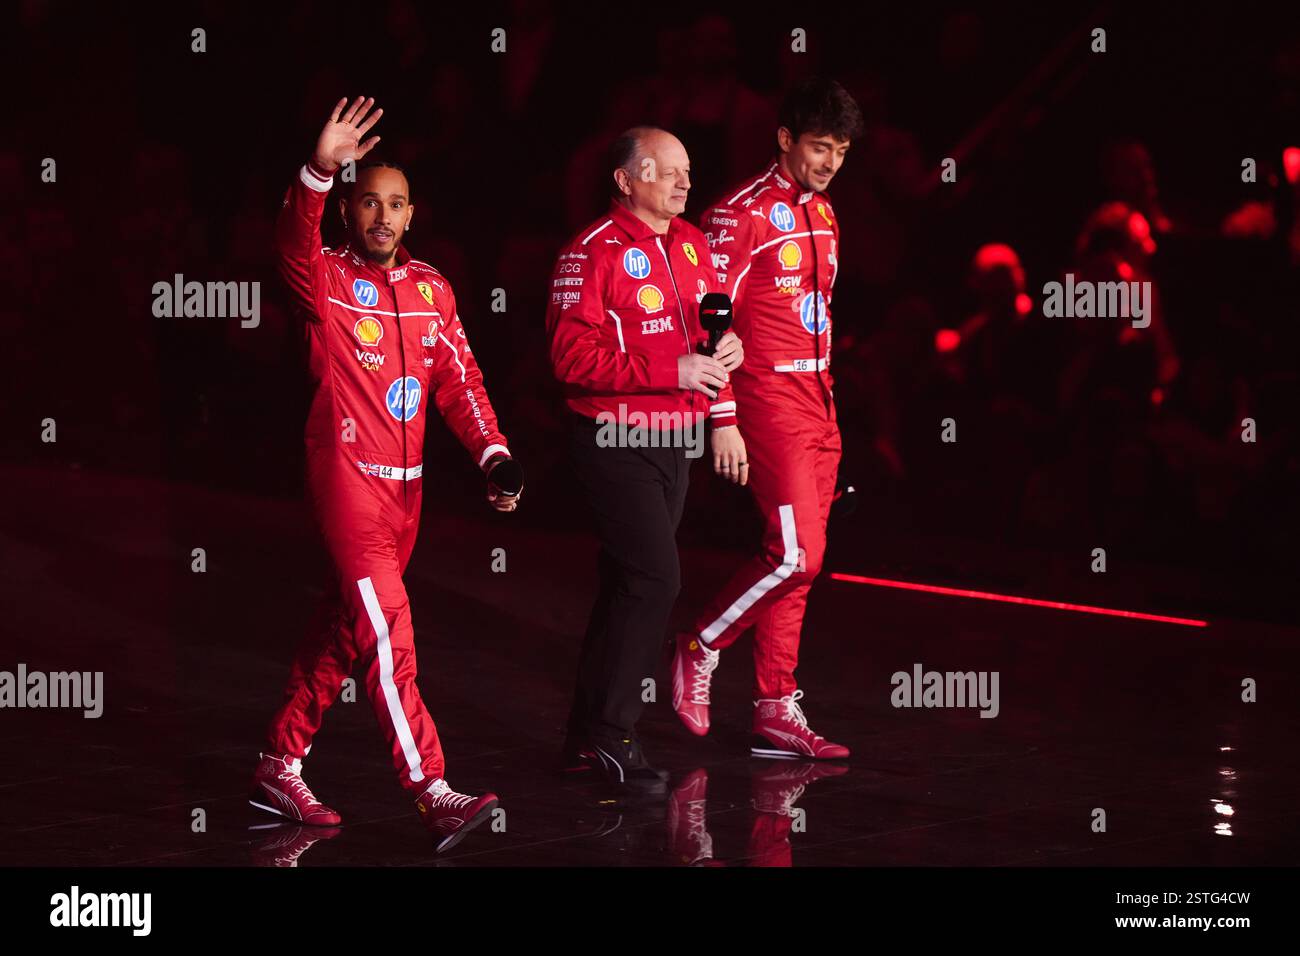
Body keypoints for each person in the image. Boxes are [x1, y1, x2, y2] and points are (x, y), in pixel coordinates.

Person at [251, 97, 519, 852]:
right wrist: (316, 170)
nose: (382, 215)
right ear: (348, 211)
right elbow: (288, 244)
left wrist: (493, 453)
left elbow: (460, 382)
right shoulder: (325, 280)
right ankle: (431, 789)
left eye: (395, 204)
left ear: (411, 216)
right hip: (346, 481)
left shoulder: (433, 289)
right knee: (389, 631)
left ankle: (280, 761)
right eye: (368, 200)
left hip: (408, 493)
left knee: (344, 632)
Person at [547, 126, 747, 791]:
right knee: (657, 579)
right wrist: (675, 367)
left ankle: (585, 738)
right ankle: (611, 736)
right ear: (626, 181)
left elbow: (711, 342)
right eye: (666, 172)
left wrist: (725, 394)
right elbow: (570, 359)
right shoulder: (590, 252)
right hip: (614, 438)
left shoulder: (693, 245)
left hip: (677, 443)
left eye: (687, 170)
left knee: (626, 585)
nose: (684, 183)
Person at [671, 78, 864, 759]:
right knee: (793, 553)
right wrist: (721, 417)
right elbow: (708, 318)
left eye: (839, 150)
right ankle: (700, 644)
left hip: (820, 401)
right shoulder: (738, 215)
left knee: (803, 564)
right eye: (818, 147)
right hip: (765, 398)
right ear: (784, 139)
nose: (829, 162)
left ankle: (775, 706)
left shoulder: (827, 213)